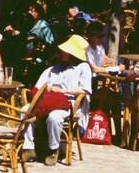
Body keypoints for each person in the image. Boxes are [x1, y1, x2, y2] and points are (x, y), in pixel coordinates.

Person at [26, 35, 93, 164]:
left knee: (54, 117)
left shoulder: (83, 68)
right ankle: (28, 148)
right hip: (50, 100)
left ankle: (53, 149)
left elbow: (84, 90)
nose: (62, 52)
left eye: (65, 50)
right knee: (26, 110)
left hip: (68, 103)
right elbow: (43, 85)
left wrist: (63, 91)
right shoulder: (56, 67)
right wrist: (49, 89)